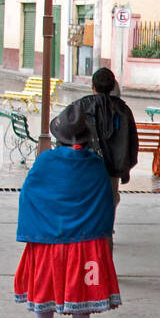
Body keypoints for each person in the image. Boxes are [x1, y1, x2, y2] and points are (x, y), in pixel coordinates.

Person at [14, 104, 121, 318]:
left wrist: (38, 227)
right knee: (82, 298)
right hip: (86, 246)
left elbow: (29, 195)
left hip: (48, 242)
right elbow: (105, 203)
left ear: (59, 137)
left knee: (43, 291)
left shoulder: (45, 162)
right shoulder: (96, 166)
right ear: (86, 139)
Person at [51, 66, 138, 211]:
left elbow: (60, 129)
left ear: (93, 86)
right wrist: (125, 169)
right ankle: (105, 231)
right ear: (112, 86)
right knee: (109, 202)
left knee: (85, 202)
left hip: (84, 167)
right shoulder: (123, 110)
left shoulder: (80, 106)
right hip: (112, 170)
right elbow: (132, 143)